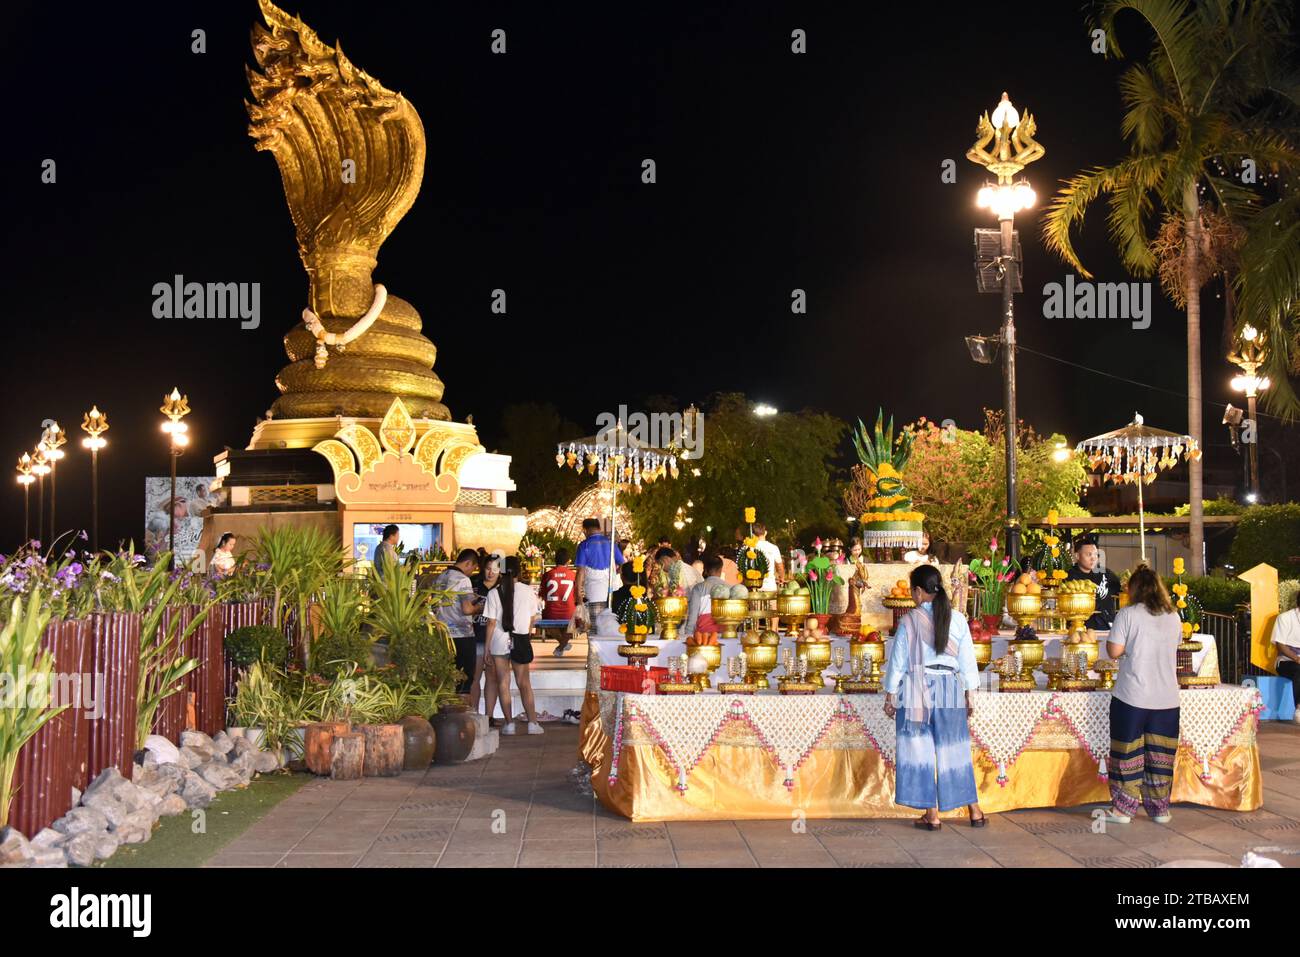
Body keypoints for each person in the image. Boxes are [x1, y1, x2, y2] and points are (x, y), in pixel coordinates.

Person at [882, 564, 986, 829]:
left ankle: (932, 815)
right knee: (955, 749)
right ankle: (974, 811)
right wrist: (970, 694)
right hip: (949, 688)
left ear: (918, 591)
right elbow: (968, 662)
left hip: (916, 688)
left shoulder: (909, 621)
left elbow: (898, 662)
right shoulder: (958, 619)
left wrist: (890, 695)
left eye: (913, 592)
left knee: (919, 751)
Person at [1102, 565, 1182, 824]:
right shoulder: (1174, 616)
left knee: (1128, 752)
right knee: (1161, 756)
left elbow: (1114, 651)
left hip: (1133, 696)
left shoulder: (1128, 614)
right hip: (1167, 697)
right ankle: (1160, 809)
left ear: (1134, 589)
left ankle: (1123, 810)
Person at [482, 556, 544, 735]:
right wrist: (527, 635)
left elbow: (491, 623)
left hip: (499, 641)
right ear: (520, 571)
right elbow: (533, 618)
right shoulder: (528, 591)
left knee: (503, 682)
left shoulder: (494, 593)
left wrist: (487, 648)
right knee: (524, 682)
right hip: (521, 638)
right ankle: (533, 723)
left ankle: (509, 724)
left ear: (501, 571)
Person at [433, 548, 485, 697]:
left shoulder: (441, 577)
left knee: (446, 679)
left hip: (442, 635)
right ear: (468, 563)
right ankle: (463, 718)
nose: (472, 572)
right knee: (463, 682)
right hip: (462, 636)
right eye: (473, 568)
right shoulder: (463, 580)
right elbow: (467, 609)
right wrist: (480, 608)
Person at [469, 554, 502, 717]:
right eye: (488, 569)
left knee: (492, 678)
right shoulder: (473, 585)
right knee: (475, 678)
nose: (490, 573)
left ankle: (489, 716)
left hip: (495, 639)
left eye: (494, 569)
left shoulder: (502, 588)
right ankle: (474, 714)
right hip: (476, 637)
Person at [1065, 535, 1121, 630]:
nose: (1093, 558)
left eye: (1096, 554)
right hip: (1080, 628)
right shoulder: (1069, 576)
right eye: (1089, 554)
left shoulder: (1106, 574)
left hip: (1107, 626)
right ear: (1077, 556)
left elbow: (1120, 592)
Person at [574, 518, 624, 621]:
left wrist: (578, 596)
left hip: (593, 594)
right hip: (612, 593)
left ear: (585, 530)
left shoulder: (584, 546)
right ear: (599, 528)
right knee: (610, 626)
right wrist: (615, 574)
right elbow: (623, 564)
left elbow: (580, 572)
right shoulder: (611, 544)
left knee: (594, 629)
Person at [541, 548, 578, 657]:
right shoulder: (573, 575)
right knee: (572, 622)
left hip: (550, 613)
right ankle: (562, 644)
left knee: (546, 620)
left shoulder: (547, 574)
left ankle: (562, 644)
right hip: (569, 613)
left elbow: (543, 595)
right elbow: (577, 594)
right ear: (568, 561)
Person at [1271, 592, 1300, 724]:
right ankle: (1299, 708)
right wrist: (1296, 658)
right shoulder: (1285, 618)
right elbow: (1280, 645)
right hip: (1285, 661)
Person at [683, 552, 726, 638]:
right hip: (725, 635)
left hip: (702, 637)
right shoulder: (730, 588)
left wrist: (687, 636)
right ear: (721, 570)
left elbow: (693, 617)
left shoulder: (698, 588)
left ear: (705, 570)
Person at [752, 523, 784, 591]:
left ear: (753, 534)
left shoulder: (749, 548)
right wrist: (782, 578)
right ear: (765, 533)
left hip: (754, 588)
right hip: (770, 587)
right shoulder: (773, 548)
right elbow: (780, 567)